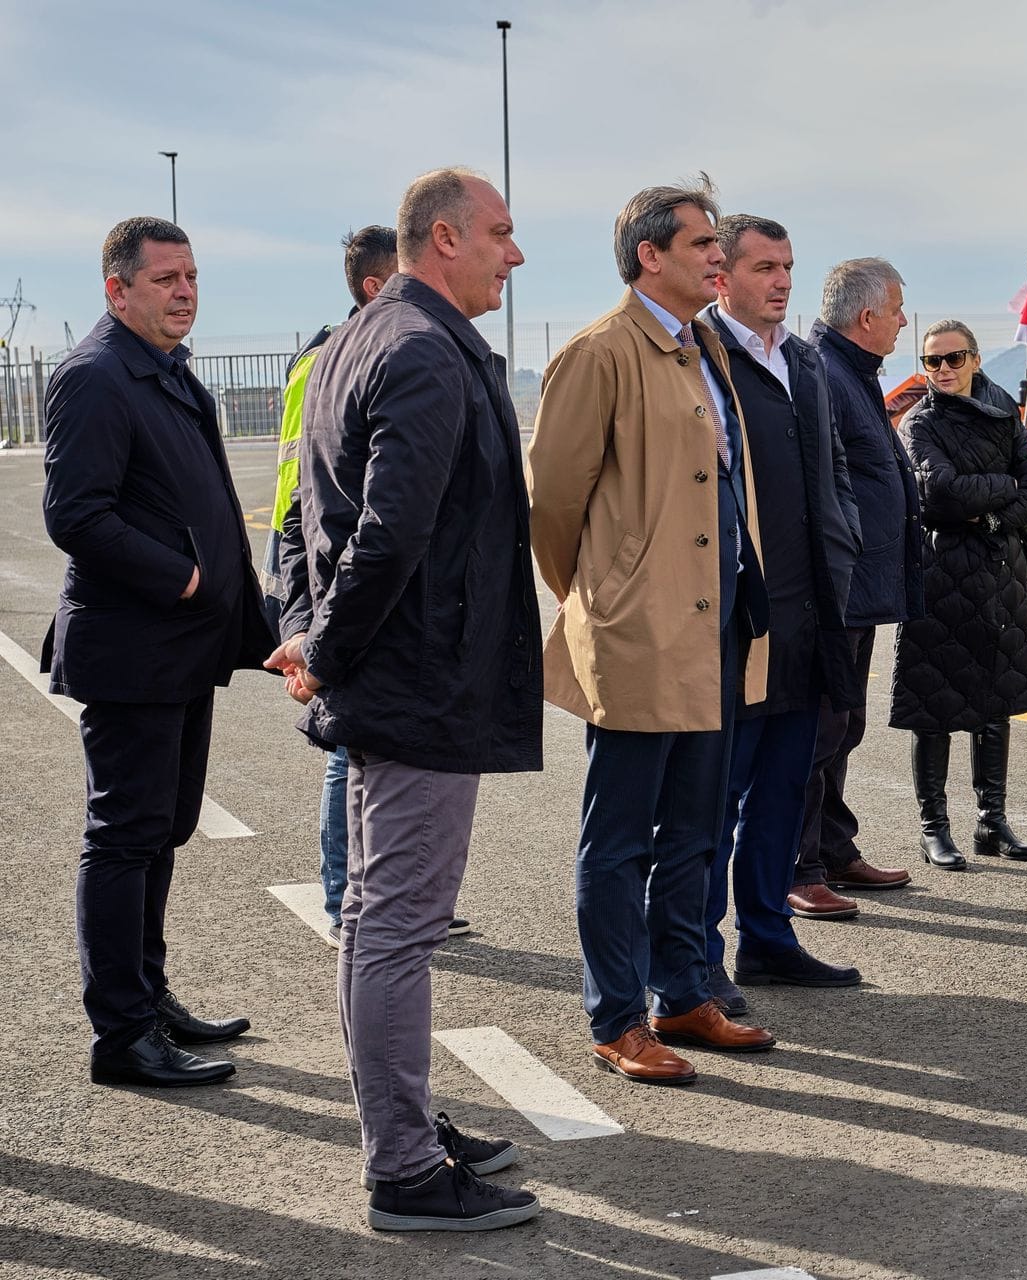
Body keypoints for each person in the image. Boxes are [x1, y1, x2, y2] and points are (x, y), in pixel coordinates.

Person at [268, 168, 542, 1232]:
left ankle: (405, 1122)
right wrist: (327, 649)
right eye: (500, 233)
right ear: (445, 237)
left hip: (394, 672)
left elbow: (301, 519)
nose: (515, 255)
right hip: (419, 677)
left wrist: (310, 632)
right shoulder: (423, 349)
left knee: (374, 919)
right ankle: (404, 1167)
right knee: (396, 926)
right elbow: (388, 535)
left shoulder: (357, 338)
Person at [529, 180, 776, 1089]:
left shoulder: (703, 345)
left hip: (715, 625)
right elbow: (553, 504)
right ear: (651, 255)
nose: (719, 256)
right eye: (704, 243)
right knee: (621, 837)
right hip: (640, 630)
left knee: (696, 830)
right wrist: (607, 594)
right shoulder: (599, 354)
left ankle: (683, 993)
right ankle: (616, 1018)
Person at [42, 216, 273, 1089]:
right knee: (125, 835)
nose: (185, 292)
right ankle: (123, 1036)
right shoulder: (96, 376)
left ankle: (146, 996)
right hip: (132, 649)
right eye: (166, 279)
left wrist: (244, 611)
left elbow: (198, 503)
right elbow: (75, 514)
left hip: (181, 649)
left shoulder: (168, 371)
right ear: (118, 289)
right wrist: (184, 579)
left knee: (162, 829)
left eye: (192, 277)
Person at [268, 227, 472, 948]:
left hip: (337, 559)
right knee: (347, 739)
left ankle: (372, 894)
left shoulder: (371, 348)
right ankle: (344, 895)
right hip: (329, 561)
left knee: (356, 739)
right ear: (374, 286)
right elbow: (309, 489)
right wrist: (305, 616)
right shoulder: (341, 356)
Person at [697, 214, 866, 1005]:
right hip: (738, 626)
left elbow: (834, 470)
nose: (782, 281)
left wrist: (844, 547)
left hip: (809, 616)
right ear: (721, 275)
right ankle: (697, 960)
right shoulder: (699, 356)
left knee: (781, 793)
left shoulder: (802, 360)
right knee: (712, 804)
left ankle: (768, 940)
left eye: (788, 266)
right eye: (764, 267)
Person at [890, 321, 1027, 870]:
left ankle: (992, 821)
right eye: (932, 361)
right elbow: (939, 493)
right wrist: (1003, 487)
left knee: (995, 702)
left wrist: (991, 513)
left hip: (1002, 576)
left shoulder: (1004, 412)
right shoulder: (919, 422)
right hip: (940, 574)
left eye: (953, 358)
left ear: (975, 360)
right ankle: (933, 828)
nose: (943, 369)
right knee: (933, 705)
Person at [791, 259, 921, 890]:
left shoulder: (853, 371)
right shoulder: (823, 372)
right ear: (867, 317)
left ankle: (833, 849)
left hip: (860, 588)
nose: (903, 321)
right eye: (896, 310)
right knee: (819, 731)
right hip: (837, 590)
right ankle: (801, 866)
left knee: (844, 725)